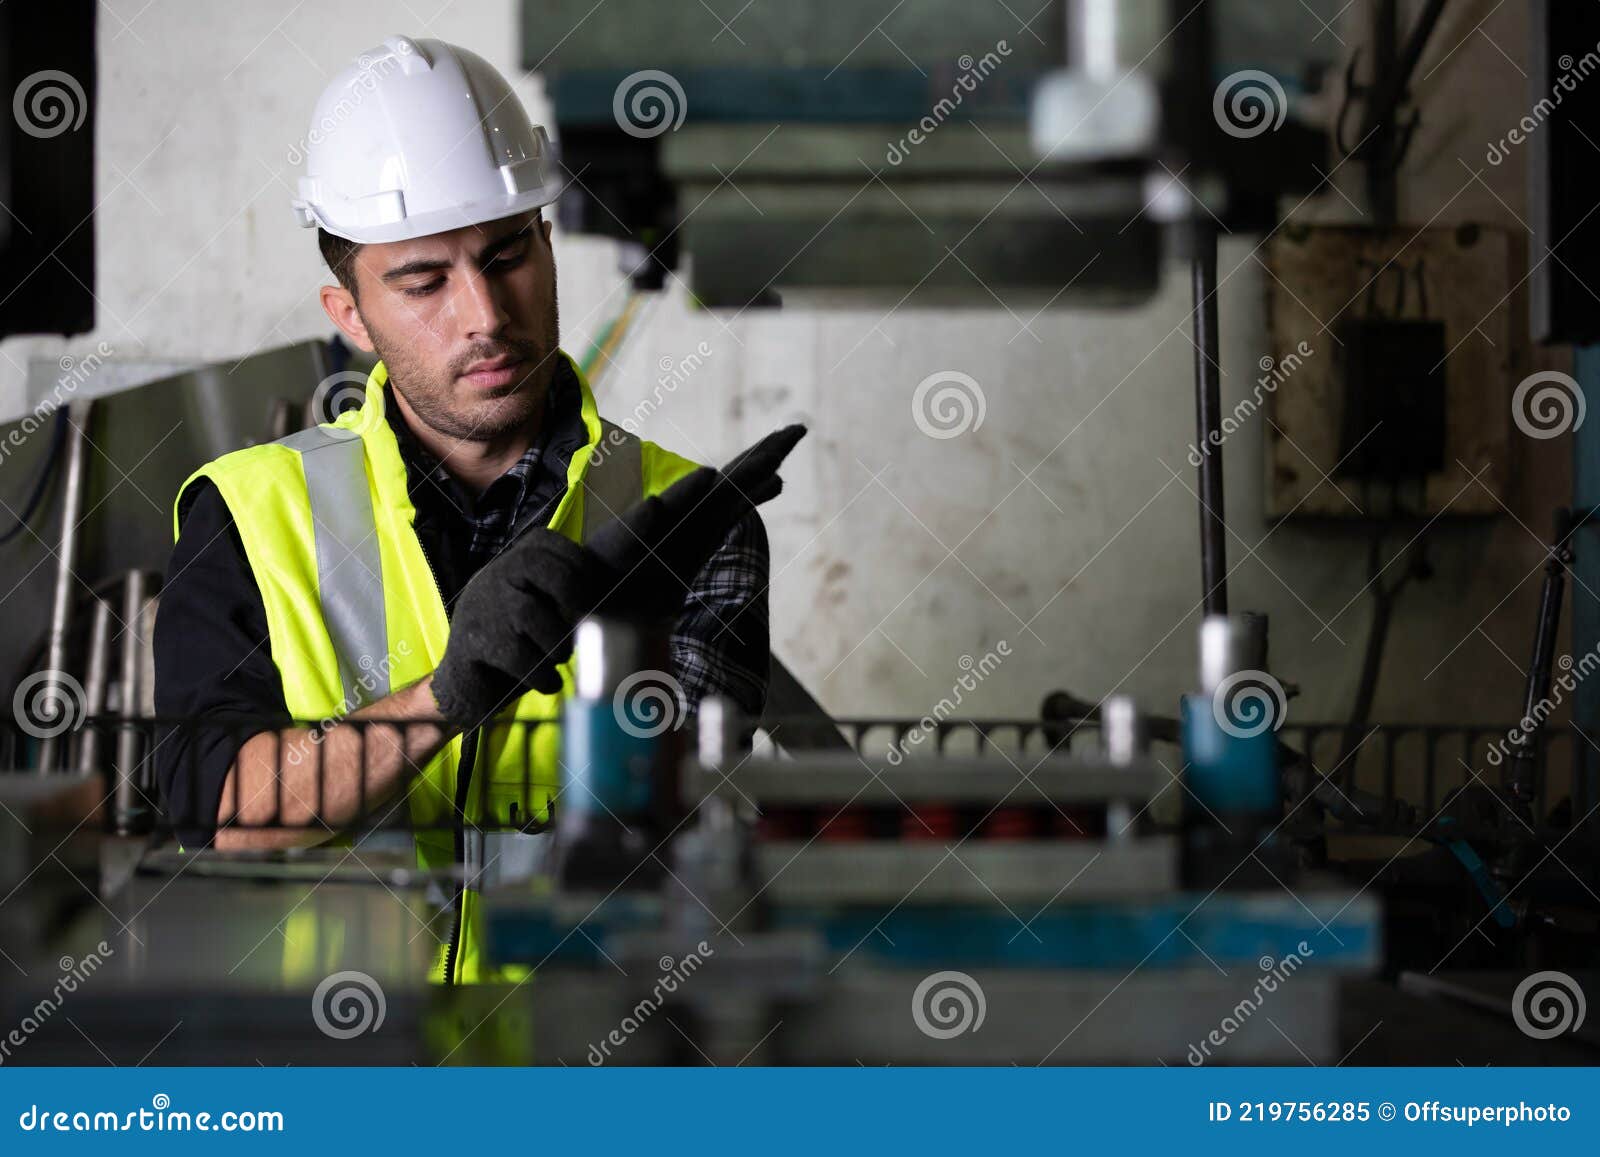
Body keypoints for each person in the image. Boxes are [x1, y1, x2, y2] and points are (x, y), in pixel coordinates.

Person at [152, 35, 804, 984]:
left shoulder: (687, 518)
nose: (486, 314)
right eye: (424, 282)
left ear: (546, 242)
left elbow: (689, 831)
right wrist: (441, 698)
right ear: (350, 314)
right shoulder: (248, 516)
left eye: (507, 256)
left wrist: (638, 629)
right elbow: (223, 816)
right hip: (339, 1076)